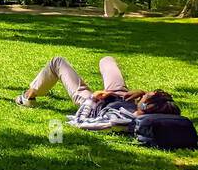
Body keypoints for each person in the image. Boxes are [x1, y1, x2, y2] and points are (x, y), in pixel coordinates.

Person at [15, 54, 179, 131]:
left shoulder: (117, 121)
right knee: (107, 60)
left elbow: (80, 123)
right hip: (120, 95)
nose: (145, 94)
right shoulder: (149, 112)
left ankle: (28, 96)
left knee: (57, 62)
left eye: (146, 96)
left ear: (145, 105)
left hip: (98, 103)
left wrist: (93, 98)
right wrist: (140, 93)